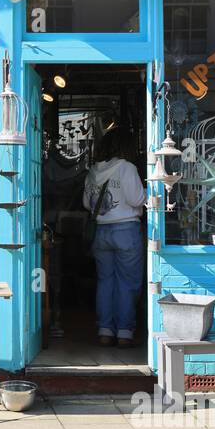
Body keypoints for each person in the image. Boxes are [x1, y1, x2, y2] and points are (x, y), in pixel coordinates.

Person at [82, 129, 147, 348]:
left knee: (105, 281)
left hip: (101, 232)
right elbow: (136, 199)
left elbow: (86, 203)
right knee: (127, 282)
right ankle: (125, 333)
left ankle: (105, 330)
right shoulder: (127, 168)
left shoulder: (93, 171)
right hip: (126, 230)